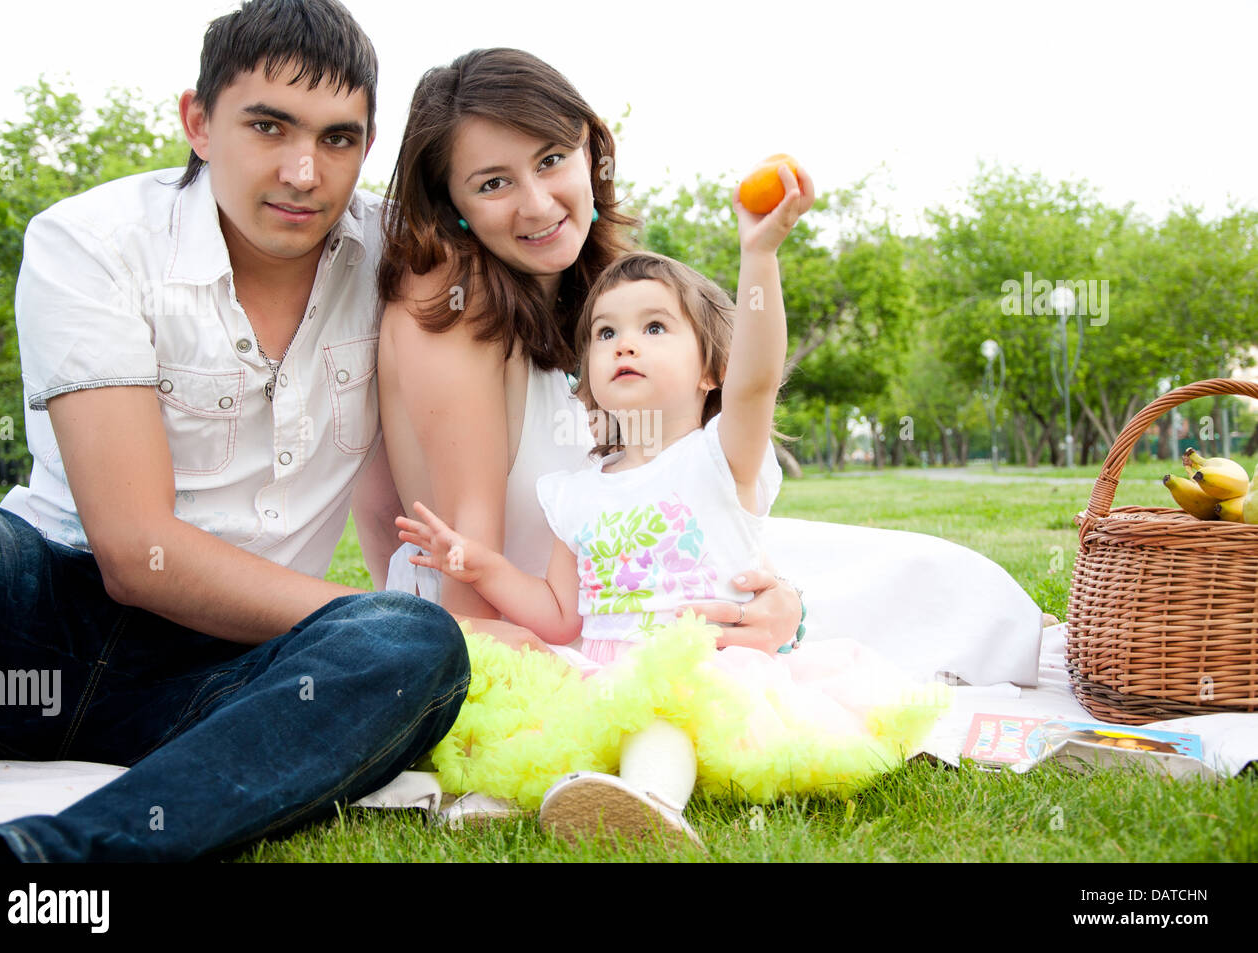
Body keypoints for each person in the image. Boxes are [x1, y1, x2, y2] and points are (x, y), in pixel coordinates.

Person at [0, 0, 469, 863]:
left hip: (229, 680)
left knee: (412, 639)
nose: (305, 171)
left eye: (339, 139)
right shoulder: (92, 240)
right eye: (268, 126)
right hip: (34, 621)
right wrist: (360, 608)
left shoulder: (403, 260)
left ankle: (42, 863)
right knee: (383, 622)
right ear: (198, 122)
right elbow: (133, 550)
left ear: (367, 148)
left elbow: (559, 278)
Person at [396, 189, 949, 847]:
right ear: (589, 370)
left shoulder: (718, 459)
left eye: (654, 327)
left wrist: (760, 254)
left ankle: (650, 798)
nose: (626, 343)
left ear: (711, 369)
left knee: (660, 716)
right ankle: (520, 788)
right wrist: (480, 564)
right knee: (544, 707)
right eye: (606, 332)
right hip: (601, 665)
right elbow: (558, 615)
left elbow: (757, 380)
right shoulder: (574, 493)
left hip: (702, 671)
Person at [360, 48, 806, 655]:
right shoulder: (452, 297)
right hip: (512, 638)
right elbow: (465, 604)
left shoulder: (612, 302)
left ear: (591, 155)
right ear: (450, 207)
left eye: (551, 160)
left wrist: (777, 601)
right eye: (493, 183)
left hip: (611, 618)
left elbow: (692, 495)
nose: (538, 204)